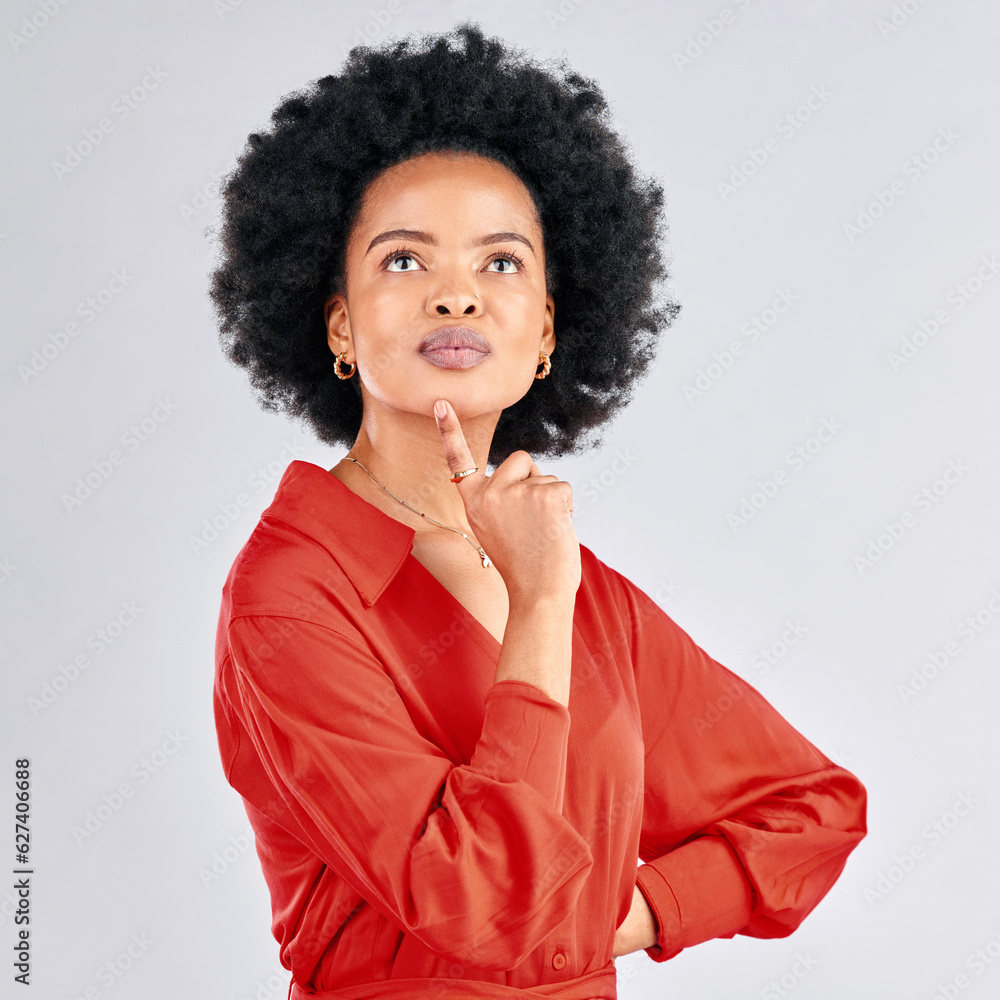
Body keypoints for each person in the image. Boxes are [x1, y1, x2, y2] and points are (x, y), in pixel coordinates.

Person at [210, 22, 867, 1000]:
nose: (457, 299)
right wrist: (539, 606)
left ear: (549, 328)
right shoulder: (293, 597)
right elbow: (481, 903)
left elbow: (810, 808)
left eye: (501, 264)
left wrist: (634, 915)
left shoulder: (568, 577)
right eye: (402, 260)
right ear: (339, 320)